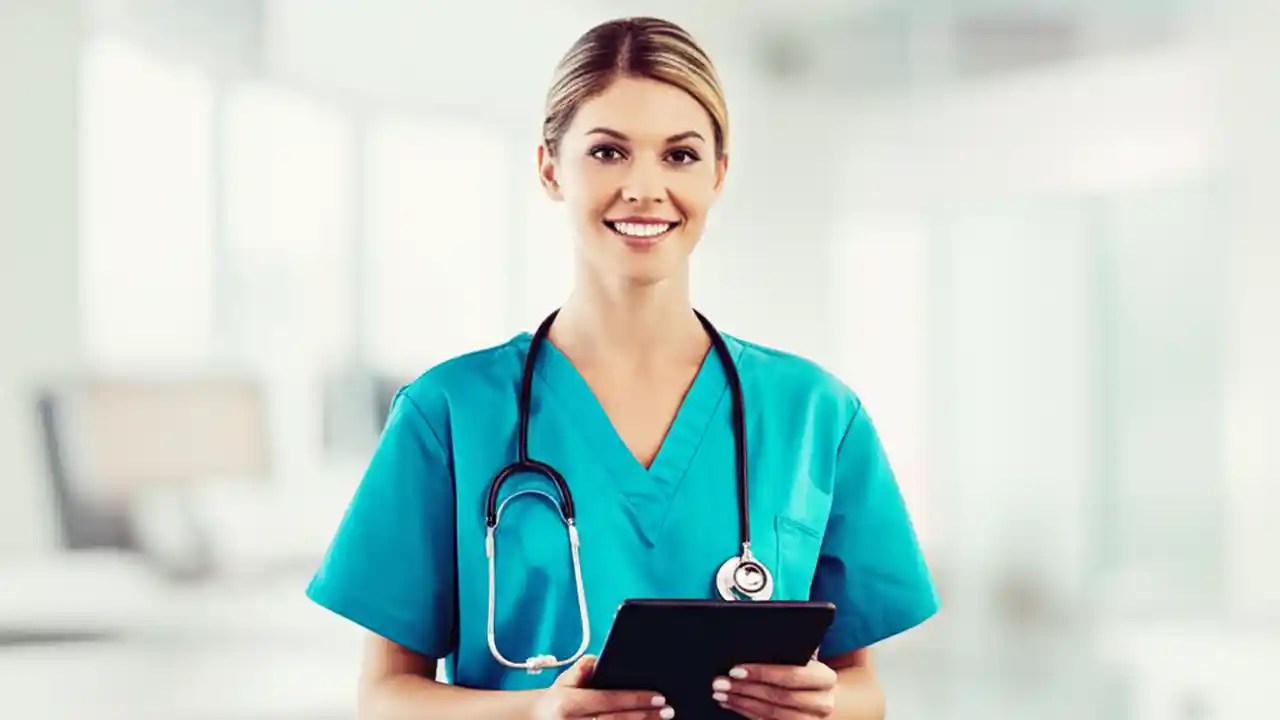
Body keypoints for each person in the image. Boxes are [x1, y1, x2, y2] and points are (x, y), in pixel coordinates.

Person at [305, 16, 939, 720]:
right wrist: (538, 714)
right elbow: (385, 698)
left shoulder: (816, 414)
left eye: (680, 156)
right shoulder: (448, 414)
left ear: (719, 174)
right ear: (550, 169)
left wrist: (822, 704)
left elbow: (864, 691)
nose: (644, 187)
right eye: (608, 152)